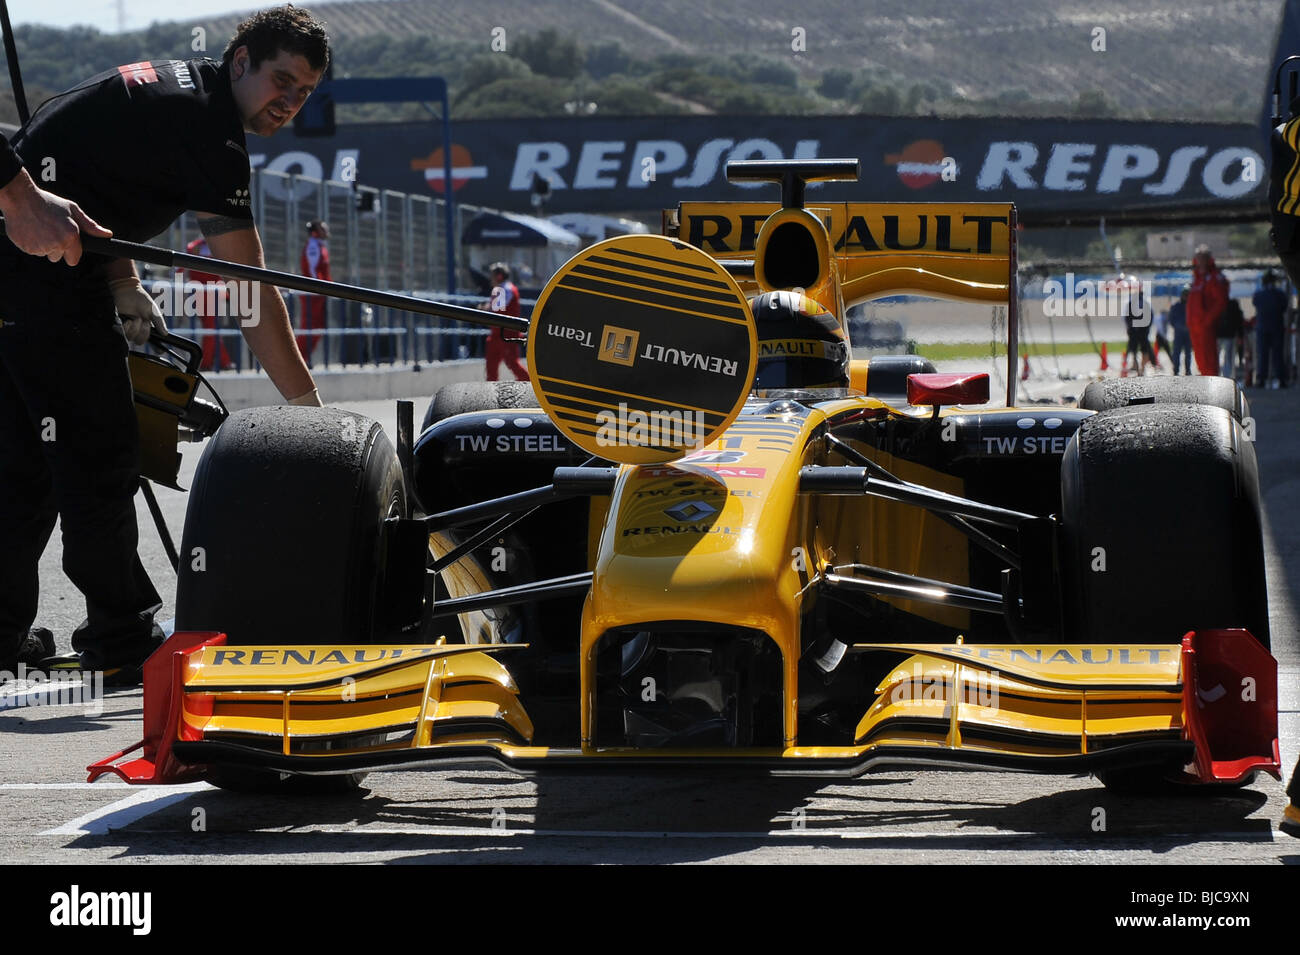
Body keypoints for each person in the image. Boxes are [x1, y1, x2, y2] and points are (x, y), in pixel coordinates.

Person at [0, 5, 330, 681]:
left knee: (21, 468)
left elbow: (88, 179)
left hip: (29, 270)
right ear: (241, 60)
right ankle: (121, 641)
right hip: (37, 276)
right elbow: (249, 291)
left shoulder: (183, 91)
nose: (288, 102)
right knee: (99, 455)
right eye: (281, 81)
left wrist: (121, 279)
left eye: (303, 94)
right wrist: (307, 407)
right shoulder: (213, 135)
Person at [186, 235, 234, 371]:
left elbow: (224, 271)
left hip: (215, 294)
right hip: (200, 294)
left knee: (212, 328)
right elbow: (185, 267)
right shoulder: (194, 246)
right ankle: (209, 363)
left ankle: (222, 362)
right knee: (211, 329)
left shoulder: (217, 246)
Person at [479, 261, 530, 382]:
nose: (490, 279)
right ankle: (490, 392)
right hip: (498, 334)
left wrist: (483, 308)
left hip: (507, 334)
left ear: (499, 276)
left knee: (512, 363)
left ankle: (530, 385)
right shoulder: (502, 289)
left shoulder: (504, 289)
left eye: (492, 275)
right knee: (492, 365)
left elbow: (496, 310)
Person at [1187, 246, 1227, 376]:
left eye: (1203, 259)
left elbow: (1221, 301)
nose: (1200, 262)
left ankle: (1212, 385)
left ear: (1209, 260)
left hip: (1205, 327)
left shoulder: (1214, 278)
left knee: (1209, 360)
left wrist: (1207, 320)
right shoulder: (1197, 278)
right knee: (1200, 360)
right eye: (1198, 259)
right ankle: (1205, 382)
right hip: (1194, 326)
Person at [298, 218, 330, 366]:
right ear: (316, 231)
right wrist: (319, 288)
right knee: (309, 328)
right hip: (313, 294)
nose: (326, 230)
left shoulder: (319, 245)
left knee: (317, 328)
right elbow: (312, 270)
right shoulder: (313, 246)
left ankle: (304, 358)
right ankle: (298, 359)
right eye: (323, 228)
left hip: (319, 294)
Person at [1254, 268, 1289, 388]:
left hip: (1262, 327)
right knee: (1277, 354)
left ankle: (1261, 379)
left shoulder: (1259, 295)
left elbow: (1256, 304)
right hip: (1277, 327)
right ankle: (1281, 379)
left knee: (1263, 354)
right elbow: (1284, 307)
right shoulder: (1280, 295)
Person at [1119, 273, 1155, 376]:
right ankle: (1140, 368)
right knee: (1141, 349)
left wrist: (1130, 327)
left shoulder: (1133, 303)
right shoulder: (1144, 303)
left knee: (1136, 349)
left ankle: (1138, 367)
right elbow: (1150, 317)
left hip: (1136, 330)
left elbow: (1126, 317)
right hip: (1141, 331)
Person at [1168, 285, 1192, 375]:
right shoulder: (1176, 306)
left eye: (1187, 295)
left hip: (1188, 333)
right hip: (1179, 333)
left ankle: (1188, 370)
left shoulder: (1191, 307)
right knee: (1176, 352)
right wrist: (1178, 326)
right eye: (1185, 295)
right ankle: (1176, 369)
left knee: (1188, 353)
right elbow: (1171, 319)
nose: (1186, 297)